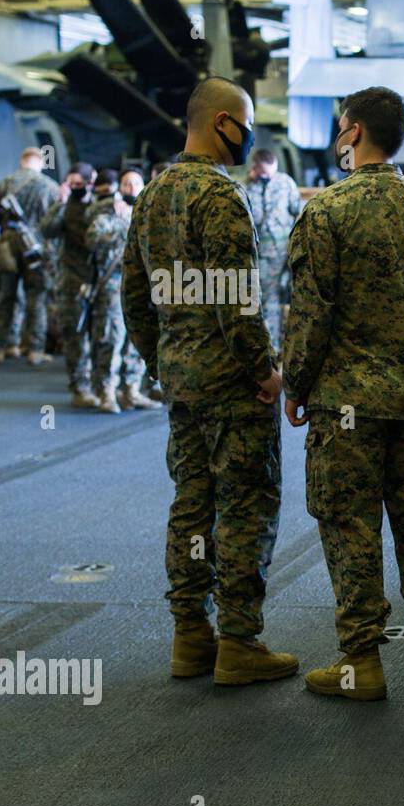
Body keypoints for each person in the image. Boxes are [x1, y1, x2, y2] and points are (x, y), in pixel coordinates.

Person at [283, 85, 404, 699]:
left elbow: (311, 315)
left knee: (350, 525)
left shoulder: (327, 211)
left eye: (340, 125)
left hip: (347, 404)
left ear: (354, 131)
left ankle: (361, 661)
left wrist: (296, 383)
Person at [122, 76, 297, 685]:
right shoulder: (220, 197)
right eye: (245, 124)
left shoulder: (153, 193)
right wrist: (264, 370)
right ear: (222, 122)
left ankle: (190, 635)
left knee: (192, 504)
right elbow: (237, 300)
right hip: (232, 385)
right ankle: (240, 643)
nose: (248, 137)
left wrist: (162, 361)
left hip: (182, 381)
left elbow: (134, 295)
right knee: (245, 505)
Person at [85, 168, 160, 413]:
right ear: (119, 187)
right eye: (126, 183)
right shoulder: (107, 212)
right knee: (111, 338)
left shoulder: (151, 211)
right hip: (113, 284)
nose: (131, 188)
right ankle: (107, 391)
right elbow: (92, 238)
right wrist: (122, 221)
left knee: (139, 338)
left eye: (136, 183)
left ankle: (132, 389)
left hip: (144, 285)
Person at [40, 161, 99, 406]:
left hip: (99, 279)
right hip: (71, 280)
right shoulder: (64, 208)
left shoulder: (99, 206)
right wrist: (60, 203)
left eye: (80, 183)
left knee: (102, 336)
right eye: (71, 183)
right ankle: (80, 387)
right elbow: (47, 230)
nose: (76, 188)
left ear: (90, 183)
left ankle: (103, 384)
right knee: (74, 334)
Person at [0, 147, 59, 365]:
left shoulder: (5, 184)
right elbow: (55, 223)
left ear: (22, 160)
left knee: (6, 296)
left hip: (7, 246)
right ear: (41, 162)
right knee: (37, 298)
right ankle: (35, 349)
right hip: (37, 249)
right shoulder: (50, 186)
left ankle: (5, 345)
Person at [245, 148, 301, 345]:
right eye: (263, 173)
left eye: (270, 172)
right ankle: (273, 346)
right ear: (255, 168)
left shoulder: (285, 183)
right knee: (269, 300)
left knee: (298, 297)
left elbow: (298, 211)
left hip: (288, 250)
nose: (267, 176)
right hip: (265, 255)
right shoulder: (248, 187)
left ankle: (295, 345)